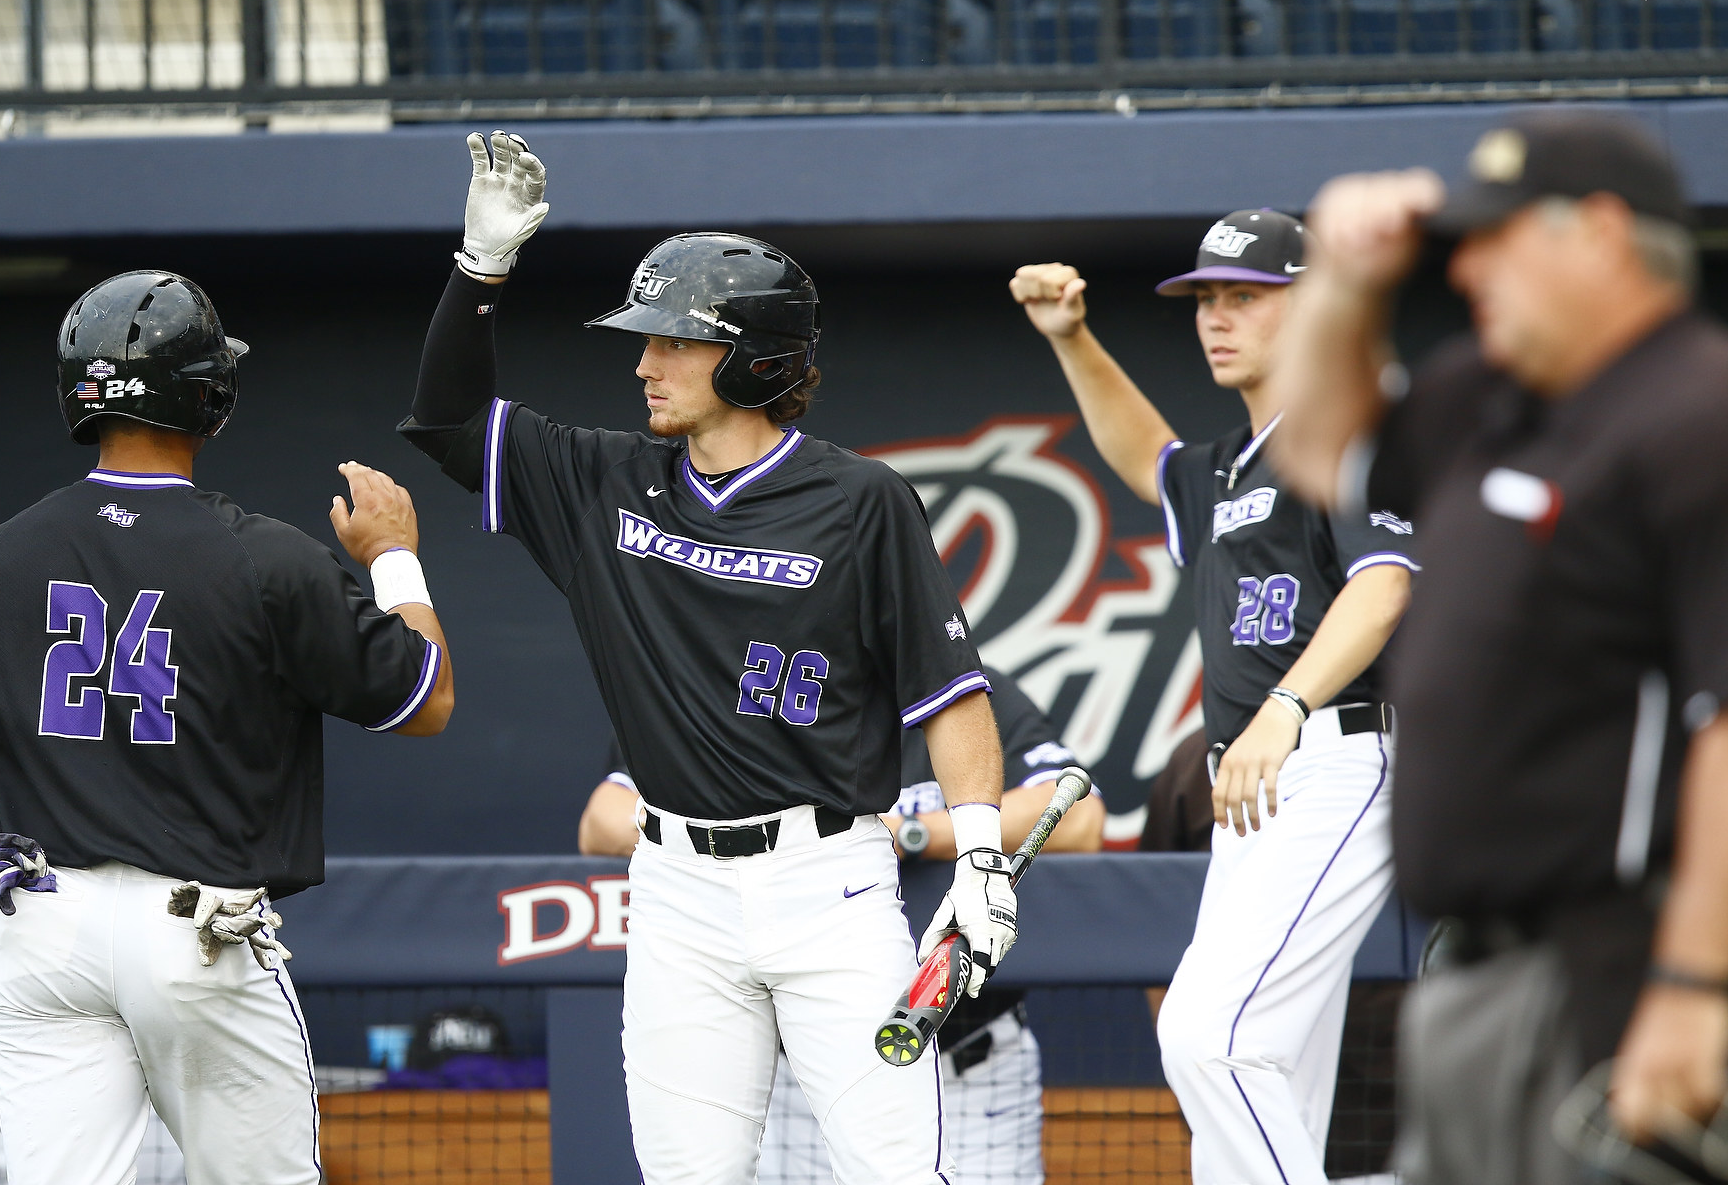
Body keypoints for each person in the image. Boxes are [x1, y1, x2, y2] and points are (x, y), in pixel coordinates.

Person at [399, 131, 1015, 1185]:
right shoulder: (604, 482)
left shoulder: (862, 499)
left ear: (755, 357)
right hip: (676, 888)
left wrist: (983, 856)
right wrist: (480, 267)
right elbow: (448, 418)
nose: (645, 364)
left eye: (676, 342)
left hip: (830, 882)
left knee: (896, 1174)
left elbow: (948, 693)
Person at [1268, 108, 1728, 1184]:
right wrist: (1344, 288)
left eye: (1500, 236)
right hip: (1470, 974)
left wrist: (1694, 986)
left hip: (1615, 970)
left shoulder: (1708, 412)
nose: (1468, 267)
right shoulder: (1486, 397)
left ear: (1604, 232)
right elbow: (1319, 450)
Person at [0, 270, 453, 1185]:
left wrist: (0, 904)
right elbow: (425, 700)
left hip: (40, 925)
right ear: (209, 397)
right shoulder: (267, 559)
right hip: (194, 932)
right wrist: (393, 557)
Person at [1009, 212, 1417, 1185]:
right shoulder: (1234, 460)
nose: (1216, 318)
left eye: (1245, 297)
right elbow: (1147, 457)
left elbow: (1385, 585)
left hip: (1333, 755)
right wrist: (1073, 339)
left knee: (1211, 1040)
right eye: (1206, 299)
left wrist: (1286, 706)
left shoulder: (1351, 430)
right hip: (1259, 787)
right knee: (1266, 1068)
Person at [578, 668, 1105, 1185]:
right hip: (805, 1076)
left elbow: (1080, 818)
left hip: (972, 1060)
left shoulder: (959, 688)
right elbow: (602, 820)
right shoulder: (741, 687)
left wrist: (912, 833)